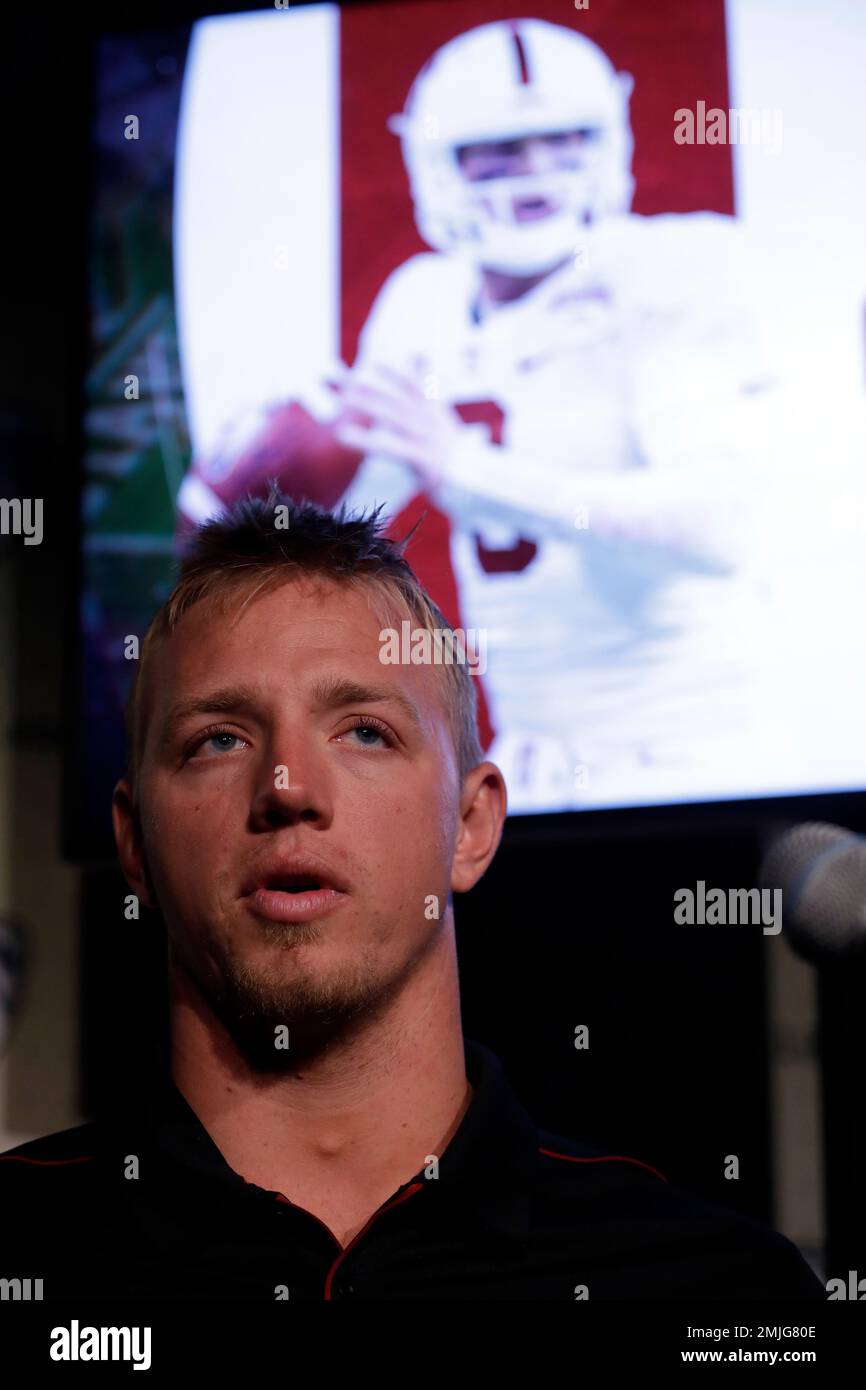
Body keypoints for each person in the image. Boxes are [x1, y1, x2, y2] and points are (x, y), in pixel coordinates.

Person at [1, 493, 823, 1300]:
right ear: (135, 839)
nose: (288, 788)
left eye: (365, 731)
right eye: (220, 739)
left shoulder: (713, 1290)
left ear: (470, 823)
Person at [176, 19, 774, 813]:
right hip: (525, 755)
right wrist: (246, 515)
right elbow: (360, 516)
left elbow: (717, 526)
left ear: (611, 141)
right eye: (498, 151)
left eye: (564, 141)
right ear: (433, 162)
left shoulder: (667, 273)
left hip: (697, 746)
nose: (535, 177)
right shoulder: (424, 301)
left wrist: (466, 470)